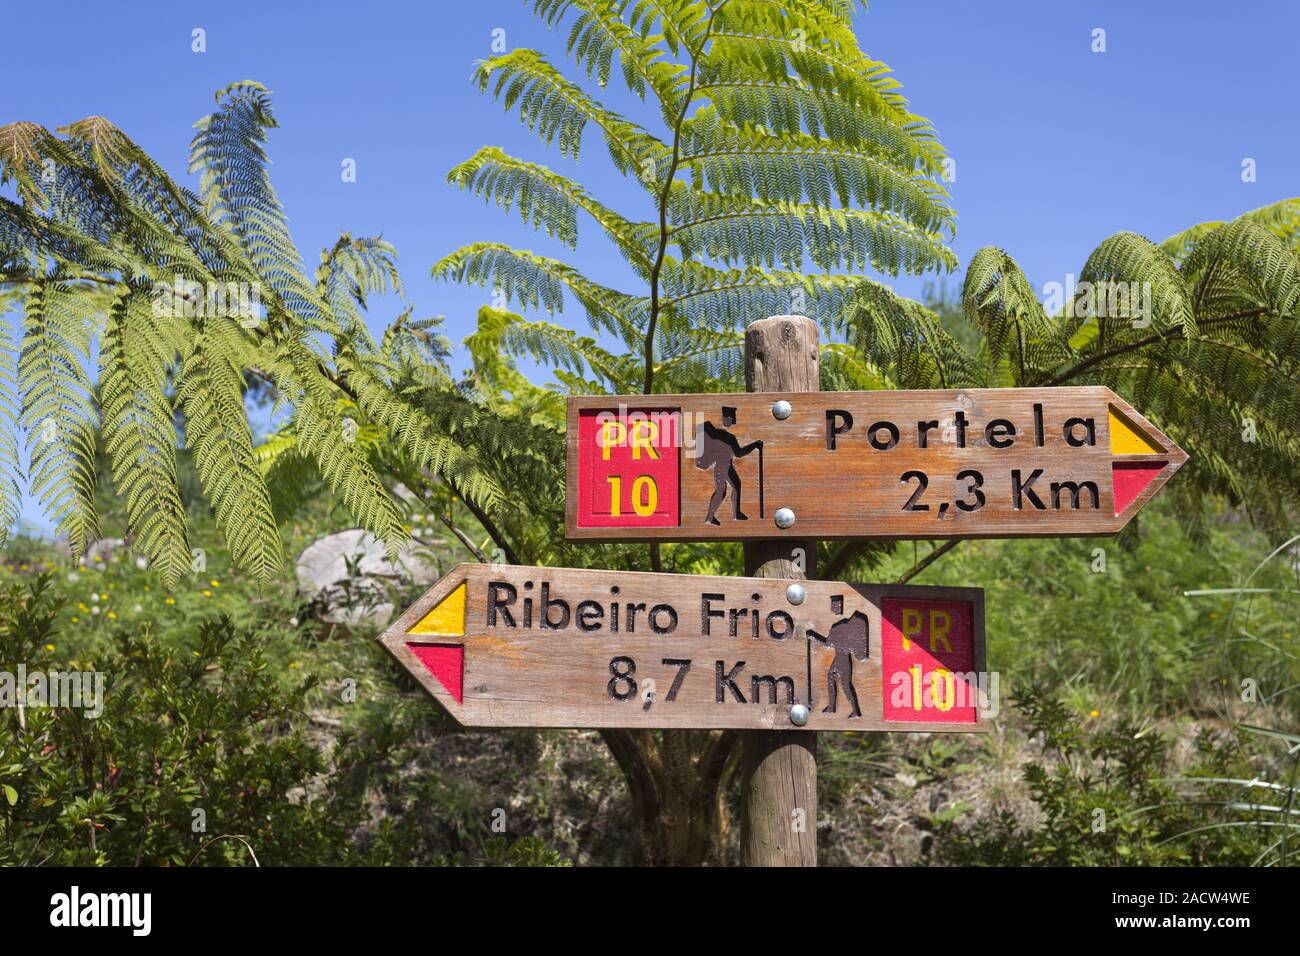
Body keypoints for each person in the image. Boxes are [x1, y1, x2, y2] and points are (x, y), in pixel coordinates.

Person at [695, 407, 762, 525]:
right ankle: (710, 518)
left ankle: (735, 514)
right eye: (728, 418)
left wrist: (754, 445)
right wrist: (754, 445)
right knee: (721, 490)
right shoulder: (726, 436)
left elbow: (737, 453)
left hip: (726, 463)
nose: (729, 421)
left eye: (731, 419)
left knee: (735, 485)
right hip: (722, 465)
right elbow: (739, 453)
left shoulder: (718, 433)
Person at [807, 609, 869, 718]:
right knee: (832, 679)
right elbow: (830, 643)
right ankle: (832, 706)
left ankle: (854, 710)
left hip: (843, 660)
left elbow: (828, 643)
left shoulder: (841, 627)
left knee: (845, 686)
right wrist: (814, 636)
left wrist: (814, 636)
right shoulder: (841, 627)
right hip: (840, 659)